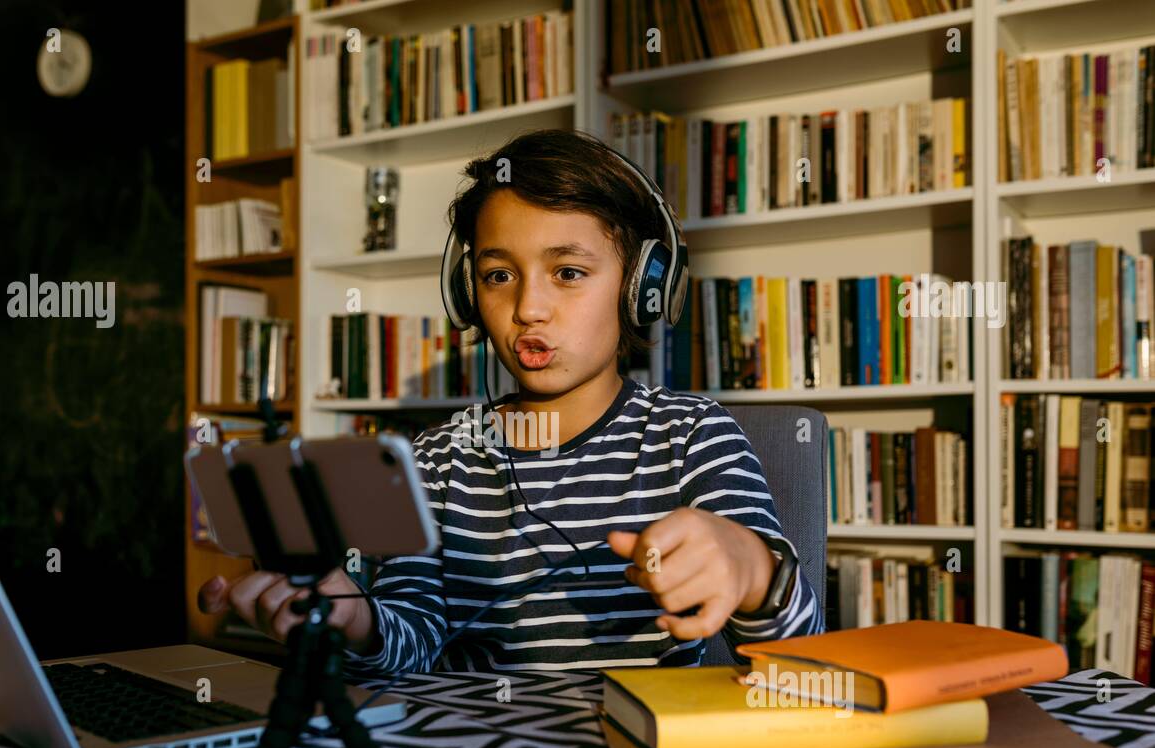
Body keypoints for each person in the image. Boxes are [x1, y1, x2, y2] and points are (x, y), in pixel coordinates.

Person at [199, 129, 822, 677]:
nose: (528, 308)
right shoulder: (438, 460)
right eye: (499, 275)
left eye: (568, 273)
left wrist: (752, 569)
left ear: (642, 288)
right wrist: (347, 614)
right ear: (468, 293)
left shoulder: (689, 435)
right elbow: (411, 639)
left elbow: (799, 655)